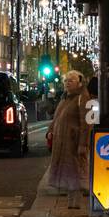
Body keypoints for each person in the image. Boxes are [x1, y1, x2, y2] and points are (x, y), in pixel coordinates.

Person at [43, 70, 92, 208]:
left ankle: (76, 203)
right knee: (68, 171)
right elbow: (57, 117)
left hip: (73, 141)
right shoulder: (65, 98)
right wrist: (50, 130)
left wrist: (83, 144)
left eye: (71, 81)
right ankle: (71, 202)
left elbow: (86, 123)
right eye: (66, 81)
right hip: (62, 141)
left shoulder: (83, 98)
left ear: (79, 83)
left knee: (75, 171)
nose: (67, 83)